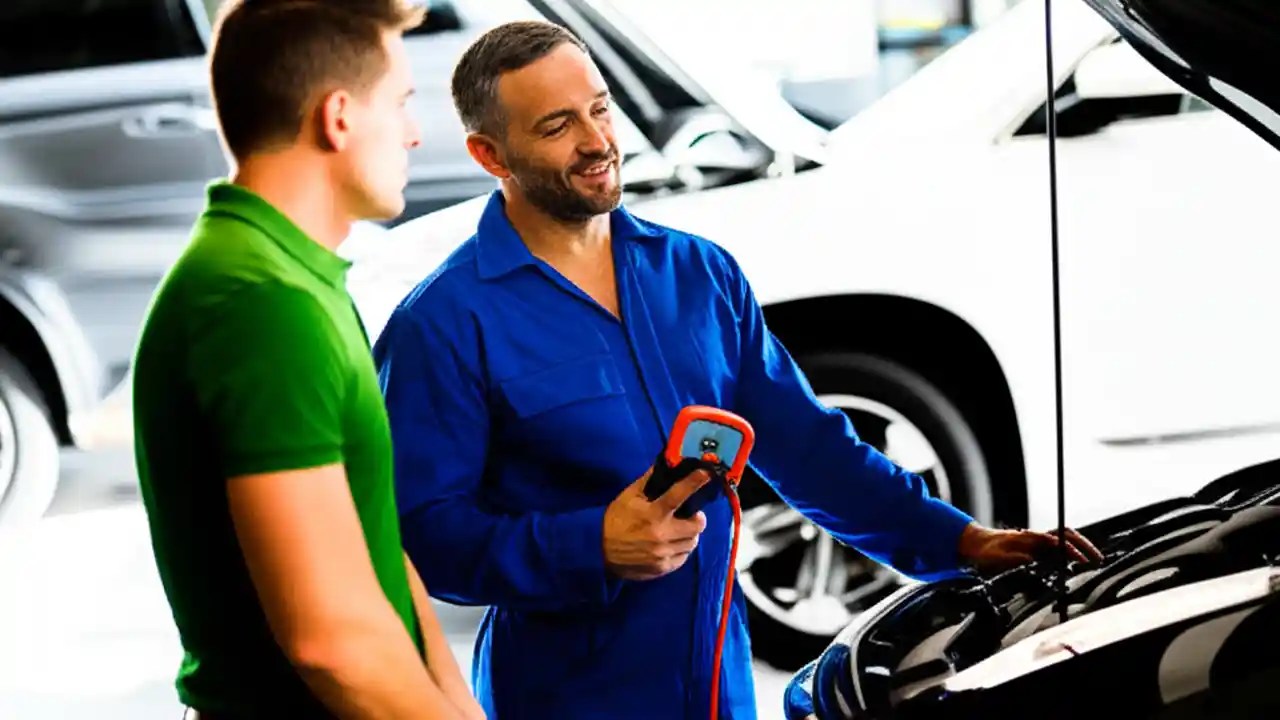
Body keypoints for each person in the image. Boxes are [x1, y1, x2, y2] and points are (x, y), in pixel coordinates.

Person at [372, 20, 1103, 720]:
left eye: (600, 109)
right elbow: (422, 536)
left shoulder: (699, 274)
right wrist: (591, 543)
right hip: (563, 699)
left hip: (718, 687)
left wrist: (958, 541)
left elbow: (810, 448)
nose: (598, 142)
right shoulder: (443, 323)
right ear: (490, 155)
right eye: (558, 126)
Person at [131, 2, 483, 718]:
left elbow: (373, 545)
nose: (415, 132)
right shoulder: (259, 303)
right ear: (340, 117)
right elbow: (333, 644)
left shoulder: (304, 278)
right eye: (402, 103)